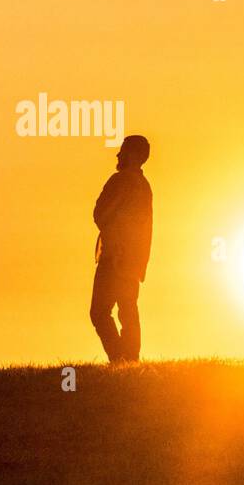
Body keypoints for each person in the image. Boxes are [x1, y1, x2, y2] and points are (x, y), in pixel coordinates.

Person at [89, 135, 152, 363]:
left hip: (114, 256)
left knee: (99, 312)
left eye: (123, 150)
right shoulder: (144, 187)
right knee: (127, 309)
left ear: (133, 155)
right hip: (133, 260)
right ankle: (130, 360)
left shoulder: (120, 181)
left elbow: (99, 213)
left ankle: (120, 359)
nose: (118, 155)